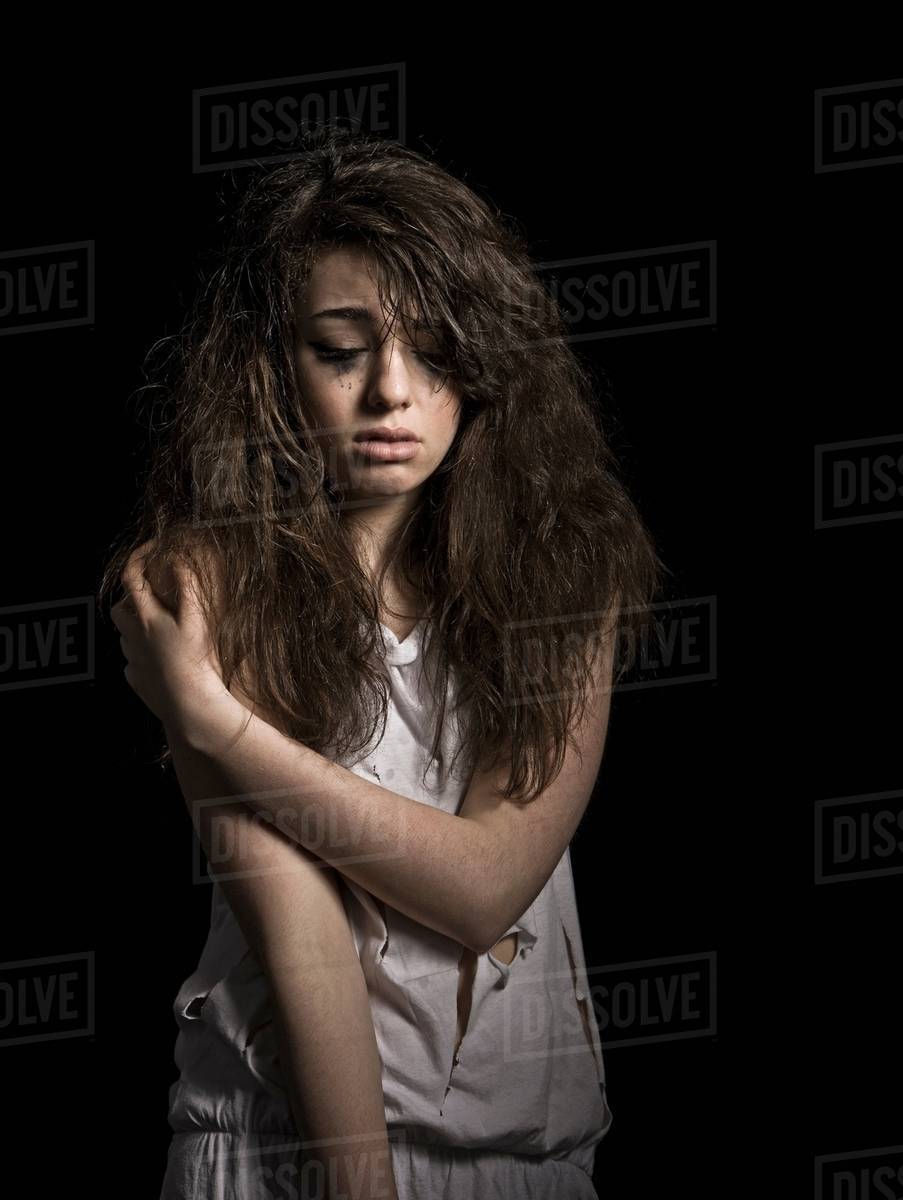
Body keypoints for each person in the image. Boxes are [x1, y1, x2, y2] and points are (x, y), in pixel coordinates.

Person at [103, 123, 665, 1199]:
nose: (392, 392)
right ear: (273, 368)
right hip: (278, 1156)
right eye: (341, 350)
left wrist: (216, 723)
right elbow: (298, 929)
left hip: (526, 1165)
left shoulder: (568, 569)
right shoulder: (201, 586)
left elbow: (486, 886)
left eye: (434, 348)